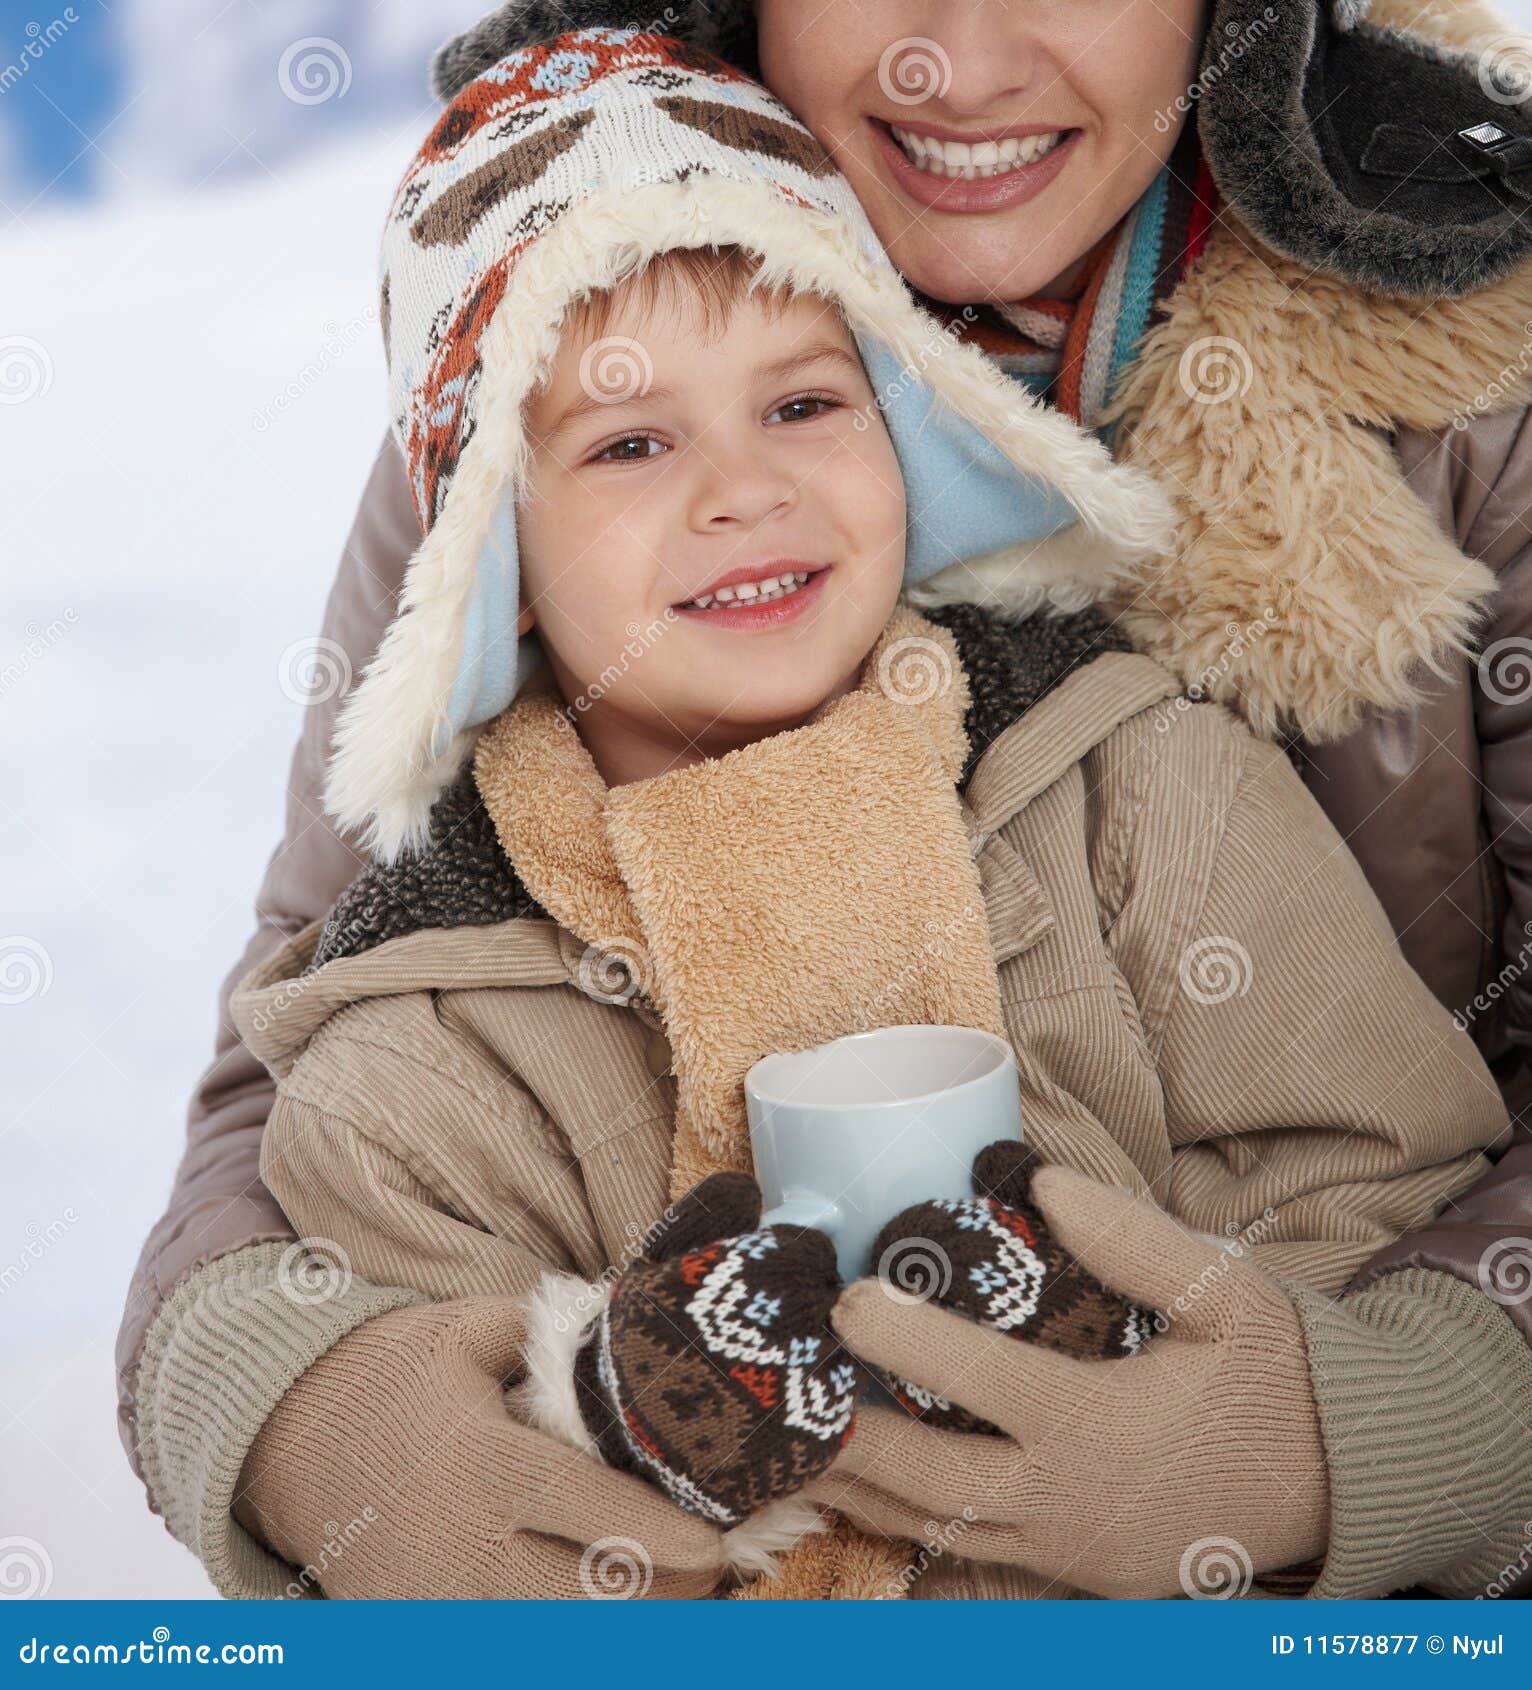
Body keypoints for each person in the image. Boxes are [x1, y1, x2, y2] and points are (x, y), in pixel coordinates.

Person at [118, 0, 1532, 1601]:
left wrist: (1366, 1423)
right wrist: (306, 1412)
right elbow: (316, 1045)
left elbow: (1365, 1151)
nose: (961, 58)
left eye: (807, 403)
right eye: (635, 442)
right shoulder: (532, 316)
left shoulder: (1147, 763)